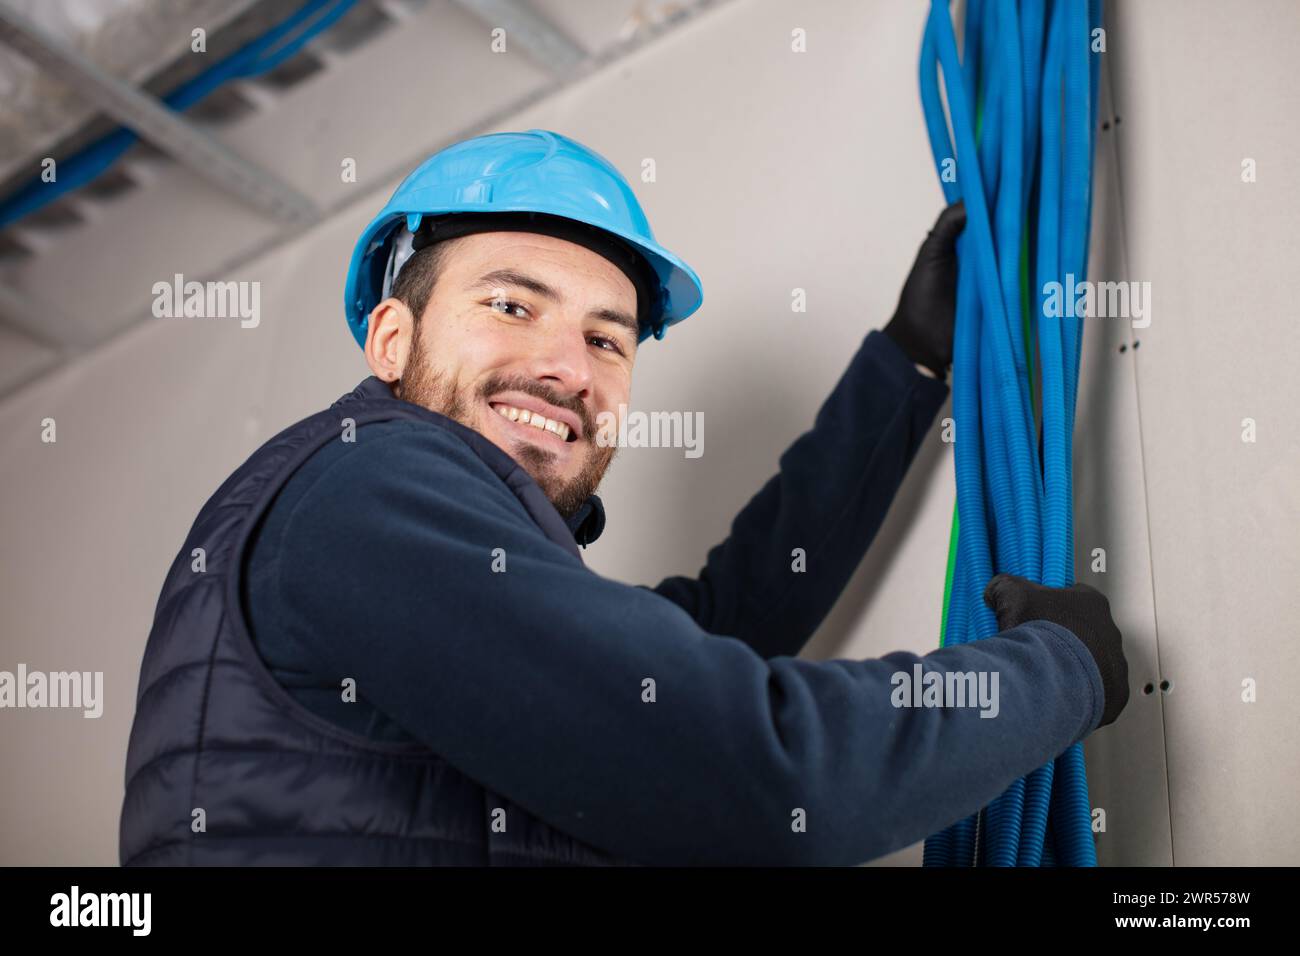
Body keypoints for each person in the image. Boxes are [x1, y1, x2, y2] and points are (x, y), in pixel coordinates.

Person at [120, 129, 1128, 867]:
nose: (566, 368)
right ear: (391, 339)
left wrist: (905, 366)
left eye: (607, 337)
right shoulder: (366, 485)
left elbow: (715, 626)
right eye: (512, 303)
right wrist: (1058, 668)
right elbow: (757, 771)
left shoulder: (384, 523)